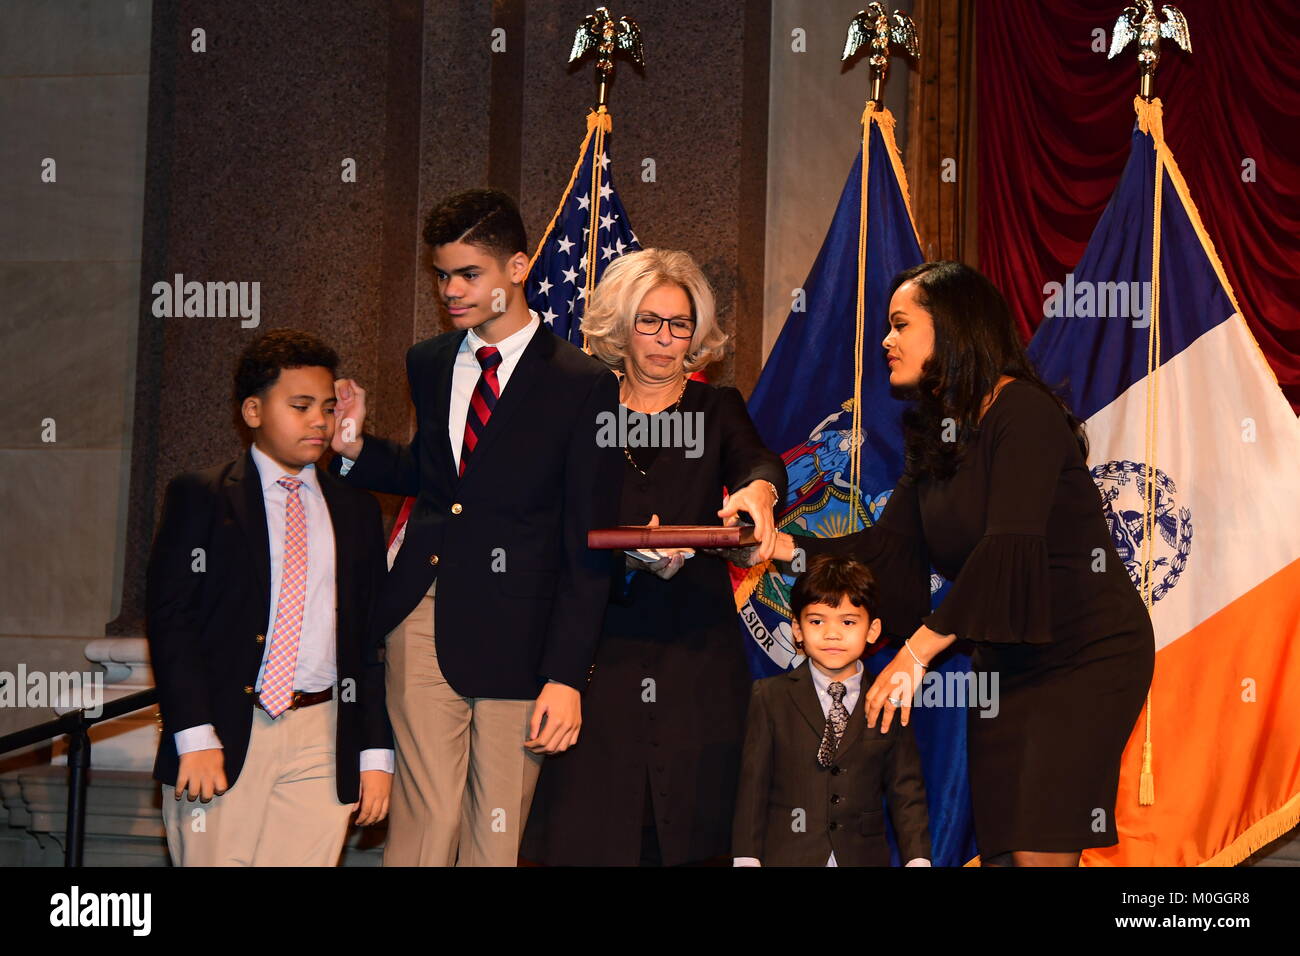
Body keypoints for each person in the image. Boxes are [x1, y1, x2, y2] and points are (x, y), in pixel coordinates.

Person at [760, 261, 1155, 867]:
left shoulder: (1022, 412)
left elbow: (1007, 548)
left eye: (900, 325)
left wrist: (917, 654)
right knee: (1005, 849)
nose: (886, 341)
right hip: (1010, 659)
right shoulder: (942, 433)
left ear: (950, 328)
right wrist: (784, 549)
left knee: (1037, 848)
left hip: (1085, 655)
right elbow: (892, 553)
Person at [329, 188, 623, 866]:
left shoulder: (582, 382)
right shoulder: (428, 362)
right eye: (441, 274)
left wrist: (566, 675)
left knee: (495, 838)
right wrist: (354, 451)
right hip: (422, 611)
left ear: (518, 268)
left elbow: (589, 542)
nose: (450, 290)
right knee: (422, 827)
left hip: (522, 634)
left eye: (469, 274)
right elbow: (436, 479)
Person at [520, 248, 785, 866]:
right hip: (601, 645)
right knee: (597, 830)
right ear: (620, 324)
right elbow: (551, 522)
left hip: (697, 651)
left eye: (680, 324)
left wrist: (758, 491)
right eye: (649, 321)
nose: (665, 339)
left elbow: (756, 462)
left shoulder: (716, 408)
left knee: (692, 829)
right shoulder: (583, 407)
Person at [147, 329, 393, 866]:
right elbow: (172, 621)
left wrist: (375, 752)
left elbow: (369, 640)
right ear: (253, 411)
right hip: (229, 728)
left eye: (328, 408)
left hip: (323, 734)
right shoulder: (203, 496)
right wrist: (193, 732)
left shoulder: (355, 509)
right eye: (300, 405)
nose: (318, 421)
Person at [732, 555, 931, 867]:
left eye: (848, 622)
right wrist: (746, 858)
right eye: (817, 621)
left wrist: (918, 859)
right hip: (788, 856)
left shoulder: (888, 697)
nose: (832, 634)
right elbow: (753, 787)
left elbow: (906, 790)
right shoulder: (770, 696)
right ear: (797, 629)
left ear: (873, 630)